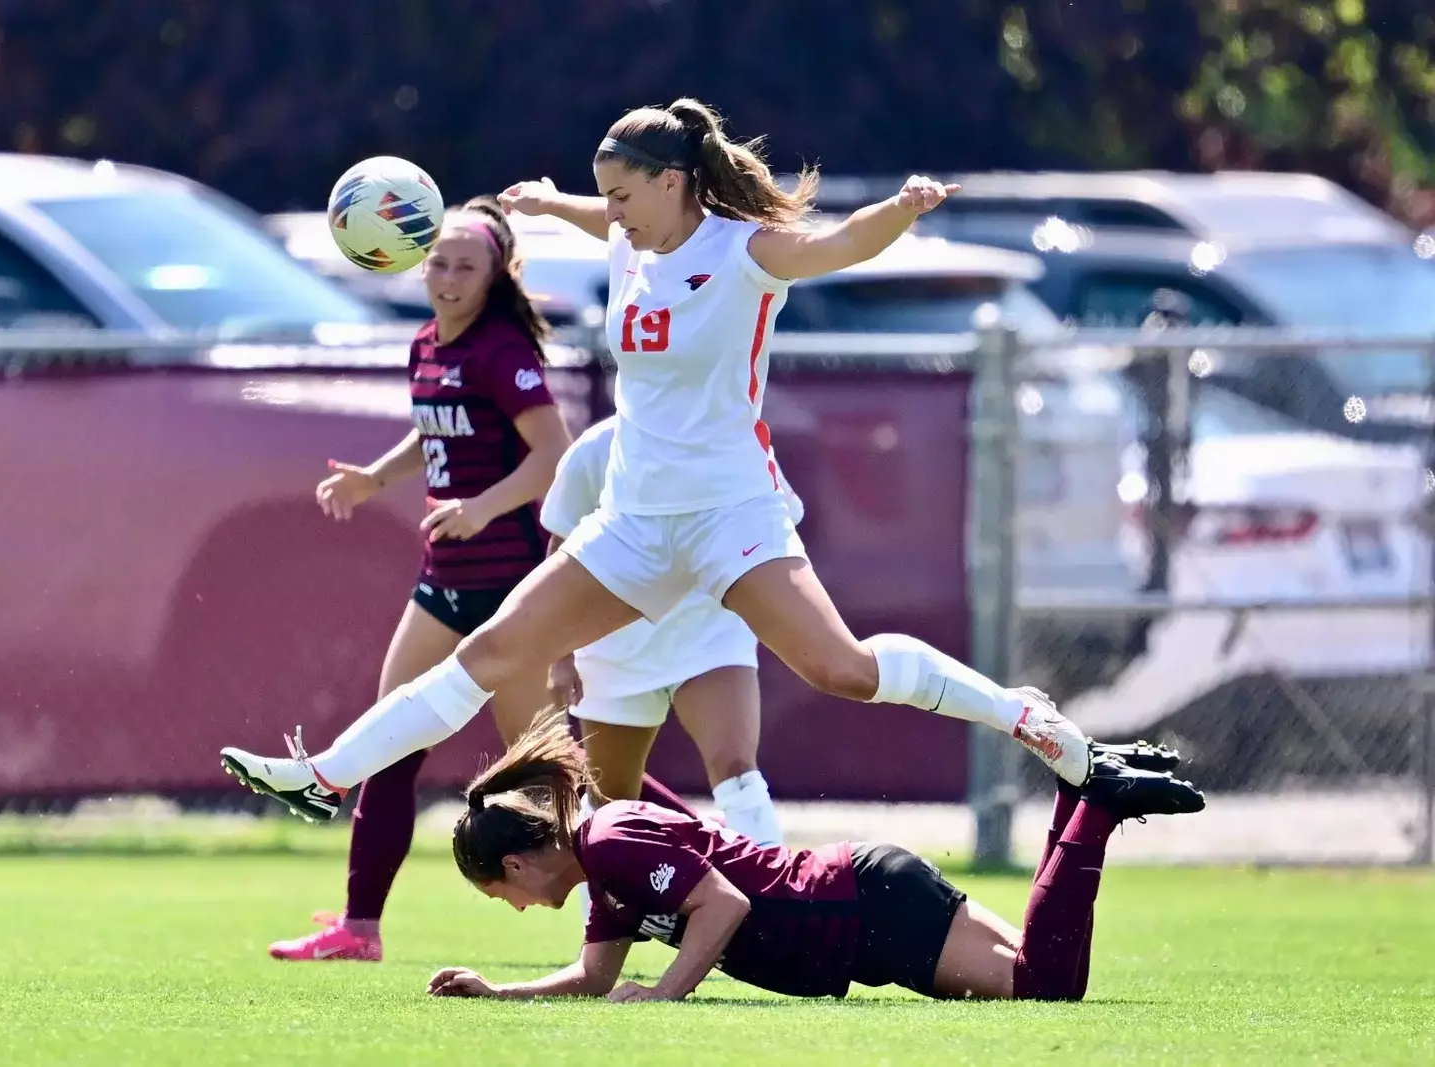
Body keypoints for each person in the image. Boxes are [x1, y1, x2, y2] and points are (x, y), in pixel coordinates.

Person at [220, 97, 1092, 825]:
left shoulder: (743, 251)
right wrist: (549, 203)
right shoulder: (631, 239)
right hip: (634, 520)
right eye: (606, 197)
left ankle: (1018, 711)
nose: (613, 212)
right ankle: (324, 774)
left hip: (730, 512)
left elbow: (837, 247)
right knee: (493, 652)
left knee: (842, 669)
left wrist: (901, 209)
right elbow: (597, 217)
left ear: (673, 183)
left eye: (623, 194)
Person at [265, 198, 690, 963]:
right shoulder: (427, 342)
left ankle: (705, 857)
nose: (449, 277)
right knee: (391, 741)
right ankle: (359, 927)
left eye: (467, 266)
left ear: (496, 276)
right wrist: (374, 478)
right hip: (444, 581)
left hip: (508, 587)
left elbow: (553, 453)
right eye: (439, 262)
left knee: (560, 770)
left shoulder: (501, 350)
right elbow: (433, 425)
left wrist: (481, 506)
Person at [426, 719, 1203, 1003]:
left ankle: (1094, 804)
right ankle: (1083, 789)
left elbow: (724, 904)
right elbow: (595, 977)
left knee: (1045, 988)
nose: (515, 907)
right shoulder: (605, 869)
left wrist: (663, 993)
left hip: (861, 908)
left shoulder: (608, 841)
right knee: (1042, 973)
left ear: (518, 865)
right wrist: (498, 989)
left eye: (499, 894)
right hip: (866, 892)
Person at [543, 416, 797, 847]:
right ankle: (603, 895)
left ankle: (778, 890)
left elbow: (777, 530)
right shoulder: (594, 449)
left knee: (738, 774)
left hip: (710, 632)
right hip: (614, 648)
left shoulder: (736, 437)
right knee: (610, 805)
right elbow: (560, 555)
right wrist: (560, 655)